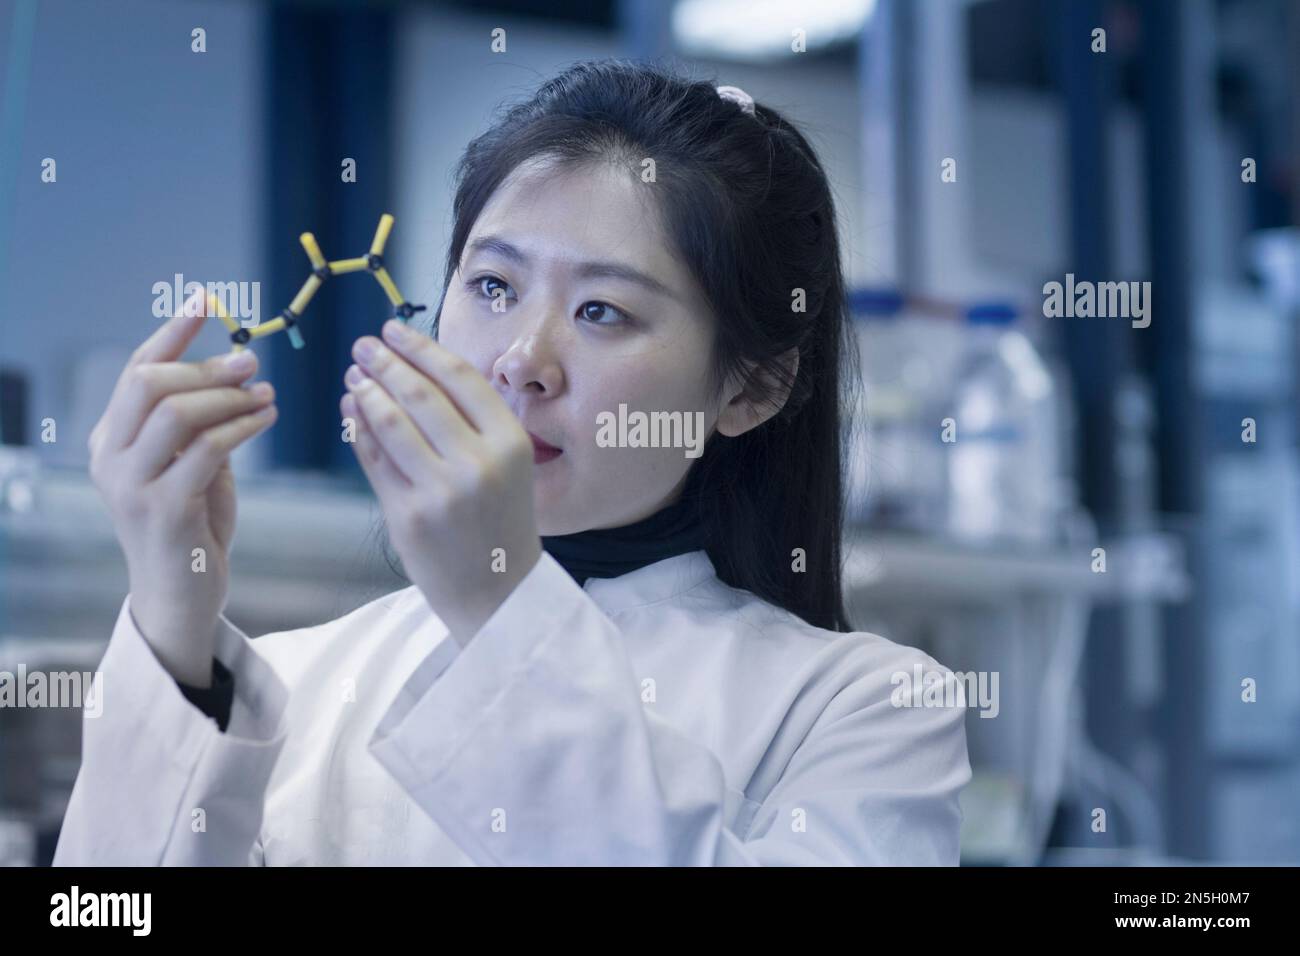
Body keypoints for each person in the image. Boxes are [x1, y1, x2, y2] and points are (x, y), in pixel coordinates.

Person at [54, 59, 970, 866]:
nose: (520, 359)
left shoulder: (866, 711)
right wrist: (173, 618)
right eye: (493, 285)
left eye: (603, 310)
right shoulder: (295, 683)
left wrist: (498, 606)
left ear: (753, 389)